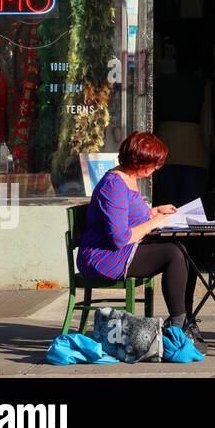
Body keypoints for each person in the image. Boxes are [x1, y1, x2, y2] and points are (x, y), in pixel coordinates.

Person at [77, 131, 202, 342]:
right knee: (174, 253)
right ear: (138, 162)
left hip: (122, 250)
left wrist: (155, 211)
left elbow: (129, 215)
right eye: (154, 164)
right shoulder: (114, 185)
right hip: (105, 257)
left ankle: (185, 318)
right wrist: (154, 223)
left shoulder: (129, 179)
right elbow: (120, 237)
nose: (157, 168)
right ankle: (179, 324)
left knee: (184, 248)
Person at [153, 39, 214, 208]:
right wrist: (210, 146)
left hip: (165, 145)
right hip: (195, 147)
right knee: (191, 206)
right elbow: (206, 119)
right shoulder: (203, 85)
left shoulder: (161, 83)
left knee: (167, 202)